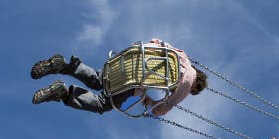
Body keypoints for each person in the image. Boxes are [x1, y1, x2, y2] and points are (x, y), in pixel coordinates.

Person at [29, 39, 207, 116]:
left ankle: (63, 65)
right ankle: (63, 93)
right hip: (135, 79)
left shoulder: (179, 55)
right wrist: (156, 110)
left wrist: (147, 97)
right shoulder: (189, 77)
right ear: (195, 85)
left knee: (99, 79)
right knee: (103, 103)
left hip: (128, 59)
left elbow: (155, 43)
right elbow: (168, 104)